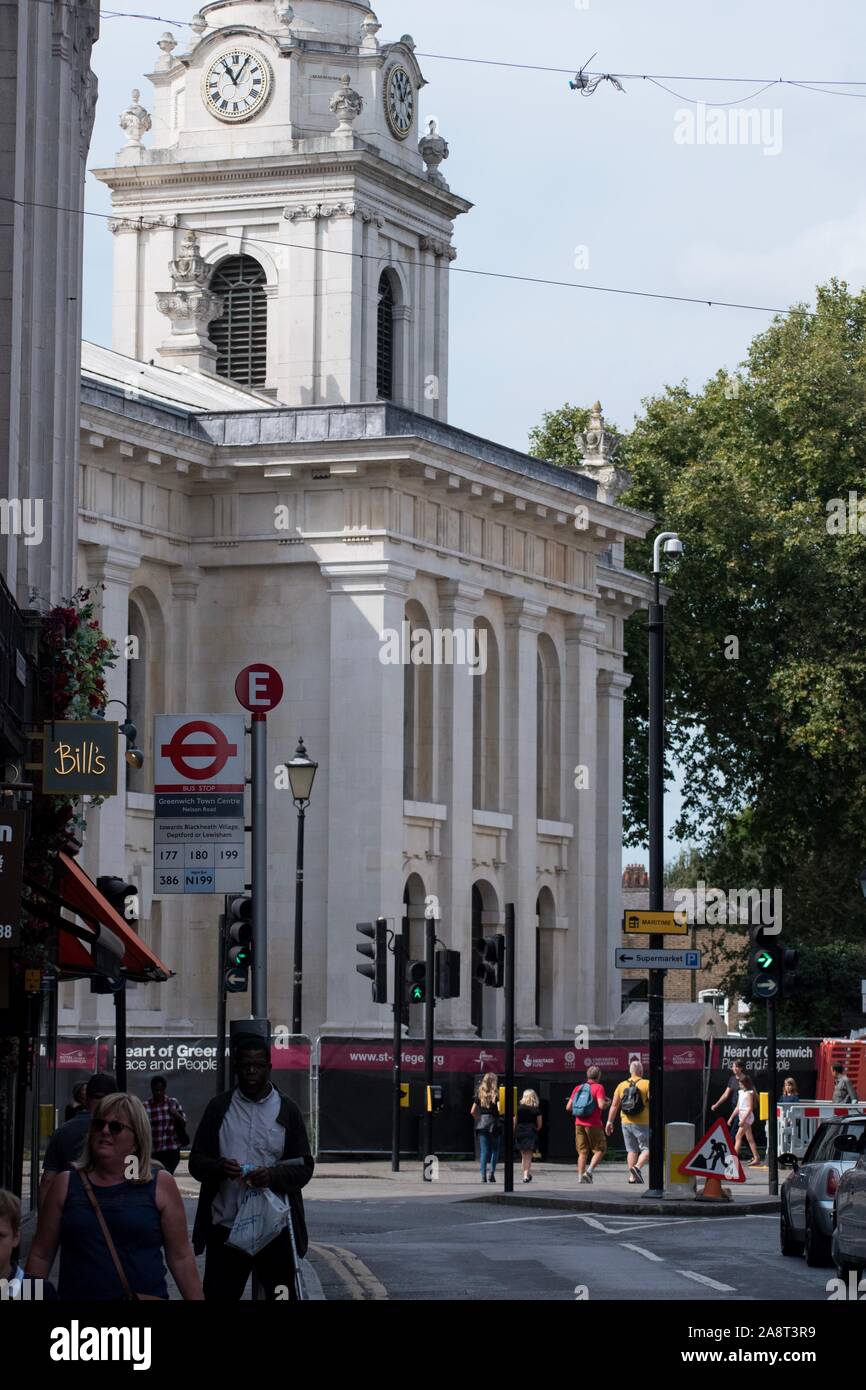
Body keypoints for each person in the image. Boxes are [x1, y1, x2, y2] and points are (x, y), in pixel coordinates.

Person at [26, 1091, 203, 1300]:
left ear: (136, 1140)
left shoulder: (159, 1184)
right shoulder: (66, 1184)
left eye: (116, 1127)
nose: (105, 1131)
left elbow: (181, 1257)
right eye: (98, 1124)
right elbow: (41, 1255)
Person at [189, 1034, 314, 1300]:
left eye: (258, 1065)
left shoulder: (287, 1110)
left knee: (282, 1296)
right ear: (236, 1068)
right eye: (245, 1065)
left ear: (269, 1067)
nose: (251, 1071)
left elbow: (304, 1167)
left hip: (274, 1231)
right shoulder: (219, 1108)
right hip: (227, 1229)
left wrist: (272, 1175)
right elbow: (197, 1162)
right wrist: (220, 1167)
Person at [40, 1071, 118, 1201]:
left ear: (86, 1100)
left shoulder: (62, 1132)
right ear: (116, 1099)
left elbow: (47, 1181)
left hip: (70, 1208)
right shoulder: (122, 1131)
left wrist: (43, 1219)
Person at [606, 1060, 650, 1184]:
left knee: (631, 1150)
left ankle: (632, 1177)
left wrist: (609, 1121)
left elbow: (614, 1106)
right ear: (641, 1071)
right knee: (647, 1149)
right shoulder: (646, 1083)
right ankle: (637, 1168)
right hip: (643, 1122)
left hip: (625, 1121)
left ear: (630, 1072)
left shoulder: (621, 1085)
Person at [566, 1065, 610, 1183]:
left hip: (578, 1123)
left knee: (582, 1152)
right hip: (593, 1123)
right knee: (600, 1149)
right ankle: (589, 1172)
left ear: (587, 1075)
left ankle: (581, 1178)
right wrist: (608, 1103)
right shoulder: (598, 1087)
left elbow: (568, 1107)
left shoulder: (578, 1088)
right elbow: (601, 1105)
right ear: (599, 1076)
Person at [143, 1075, 188, 1175]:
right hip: (155, 1150)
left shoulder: (173, 1103)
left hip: (171, 1149)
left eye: (161, 1090)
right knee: (156, 1176)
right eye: (156, 1090)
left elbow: (183, 1122)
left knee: (167, 1175)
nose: (159, 1093)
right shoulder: (146, 1106)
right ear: (152, 1090)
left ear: (164, 1089)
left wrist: (175, 1114)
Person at [470, 1072, 502, 1184]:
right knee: (495, 1150)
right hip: (494, 1123)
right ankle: (491, 1173)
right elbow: (500, 1110)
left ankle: (483, 1175)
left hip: (482, 1123)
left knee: (484, 1151)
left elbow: (472, 1111)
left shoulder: (479, 1093)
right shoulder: (497, 1094)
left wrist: (478, 1119)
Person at [732, 1072, 761, 1167]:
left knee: (738, 1136)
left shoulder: (749, 1093)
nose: (739, 1085)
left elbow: (750, 1108)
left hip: (747, 1118)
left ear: (745, 1084)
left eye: (741, 1083)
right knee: (750, 1138)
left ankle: (733, 1159)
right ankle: (756, 1158)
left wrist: (743, 1120)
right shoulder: (741, 1092)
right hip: (743, 1117)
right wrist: (731, 1117)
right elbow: (738, 1107)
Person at [514, 1089, 542, 1183]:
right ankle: (526, 1175)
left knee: (523, 1156)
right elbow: (539, 1125)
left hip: (520, 1132)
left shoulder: (518, 1109)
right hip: (531, 1132)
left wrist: (515, 1130)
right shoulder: (536, 1110)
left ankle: (526, 1174)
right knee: (528, 1156)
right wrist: (535, 1129)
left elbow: (515, 1122)